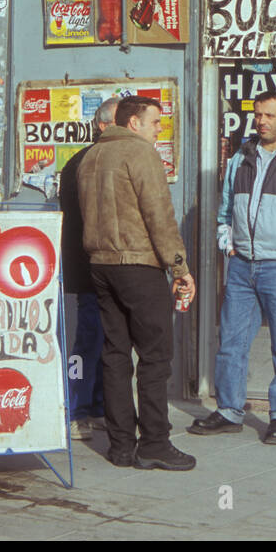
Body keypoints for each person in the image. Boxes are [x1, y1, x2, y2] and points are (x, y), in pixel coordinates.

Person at [189, 90, 276, 445]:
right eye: (258, 115)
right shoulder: (242, 156)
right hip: (242, 266)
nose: (261, 121)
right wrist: (226, 241)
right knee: (231, 342)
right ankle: (229, 411)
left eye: (269, 115)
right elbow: (225, 209)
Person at [78, 96, 197, 471]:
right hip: (138, 266)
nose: (158, 130)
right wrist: (180, 268)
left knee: (115, 355)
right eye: (155, 123)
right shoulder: (141, 153)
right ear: (133, 123)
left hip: (100, 265)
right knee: (155, 357)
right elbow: (159, 215)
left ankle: (121, 446)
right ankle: (156, 444)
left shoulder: (90, 156)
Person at [58, 96, 118, 442]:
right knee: (87, 341)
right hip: (89, 267)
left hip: (99, 267)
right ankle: (77, 408)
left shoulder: (91, 160)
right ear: (102, 125)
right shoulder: (85, 163)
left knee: (105, 341)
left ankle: (95, 407)